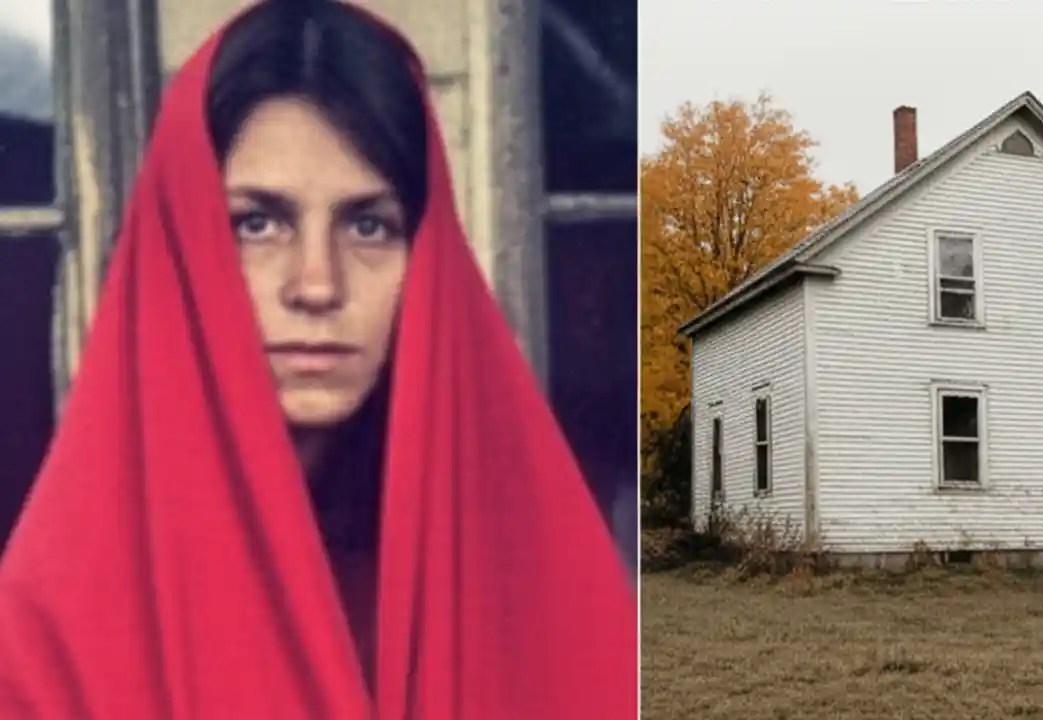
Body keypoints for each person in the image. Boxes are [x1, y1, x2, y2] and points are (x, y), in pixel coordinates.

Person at [0, 1, 636, 717]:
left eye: (369, 225)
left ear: (427, 257)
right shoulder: (50, 632)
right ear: (182, 243)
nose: (317, 285)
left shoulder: (531, 588)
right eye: (258, 223)